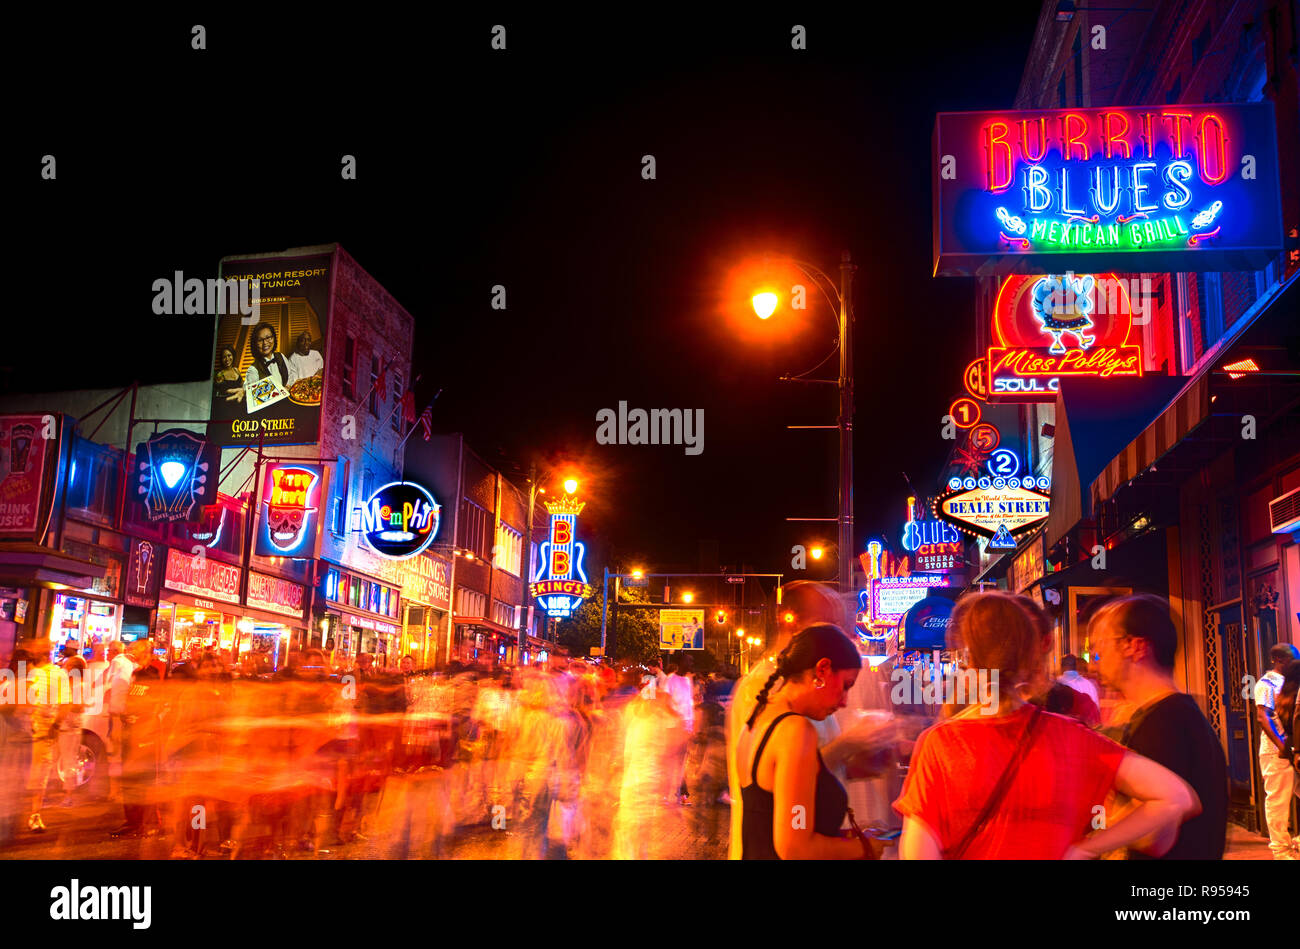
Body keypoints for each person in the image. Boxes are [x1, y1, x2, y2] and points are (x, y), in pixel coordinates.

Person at [893, 591, 1199, 859]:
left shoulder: (941, 745)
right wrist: (1086, 848)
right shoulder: (1073, 737)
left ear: (964, 659)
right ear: (1032, 654)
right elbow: (1176, 798)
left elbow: (918, 851)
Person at [726, 581, 890, 858]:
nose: (845, 702)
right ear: (822, 668)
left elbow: (788, 809)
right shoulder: (795, 730)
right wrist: (862, 848)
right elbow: (795, 845)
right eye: (846, 686)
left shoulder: (765, 715)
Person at [1091, 594, 1228, 859]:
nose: (1096, 658)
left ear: (1136, 647)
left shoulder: (1164, 725)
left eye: (1100, 646)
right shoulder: (1174, 715)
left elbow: (1153, 835)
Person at [1254, 642, 1300, 859]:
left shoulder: (1291, 681)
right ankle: (1281, 852)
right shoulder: (1266, 684)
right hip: (1276, 751)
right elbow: (1263, 716)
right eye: (1293, 658)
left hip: (1292, 749)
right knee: (1278, 802)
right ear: (1279, 660)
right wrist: (1282, 746)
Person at [244, 322, 295, 391]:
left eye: (268, 337)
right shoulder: (253, 369)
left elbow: (290, 375)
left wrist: (287, 387)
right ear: (255, 344)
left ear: (274, 338)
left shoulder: (281, 356)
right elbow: (251, 392)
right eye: (260, 340)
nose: (265, 343)